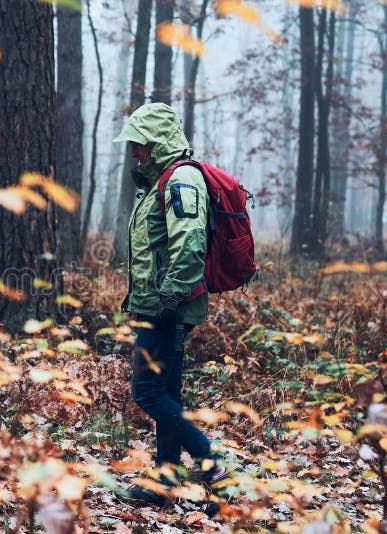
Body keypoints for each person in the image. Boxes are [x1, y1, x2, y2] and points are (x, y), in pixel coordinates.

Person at [113, 102, 227, 505]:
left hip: (169, 306)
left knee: (146, 391)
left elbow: (190, 243)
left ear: (158, 142)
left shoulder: (181, 180)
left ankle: (209, 459)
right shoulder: (160, 179)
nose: (133, 152)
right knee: (167, 394)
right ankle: (165, 484)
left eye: (139, 144)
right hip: (157, 303)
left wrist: (168, 297)